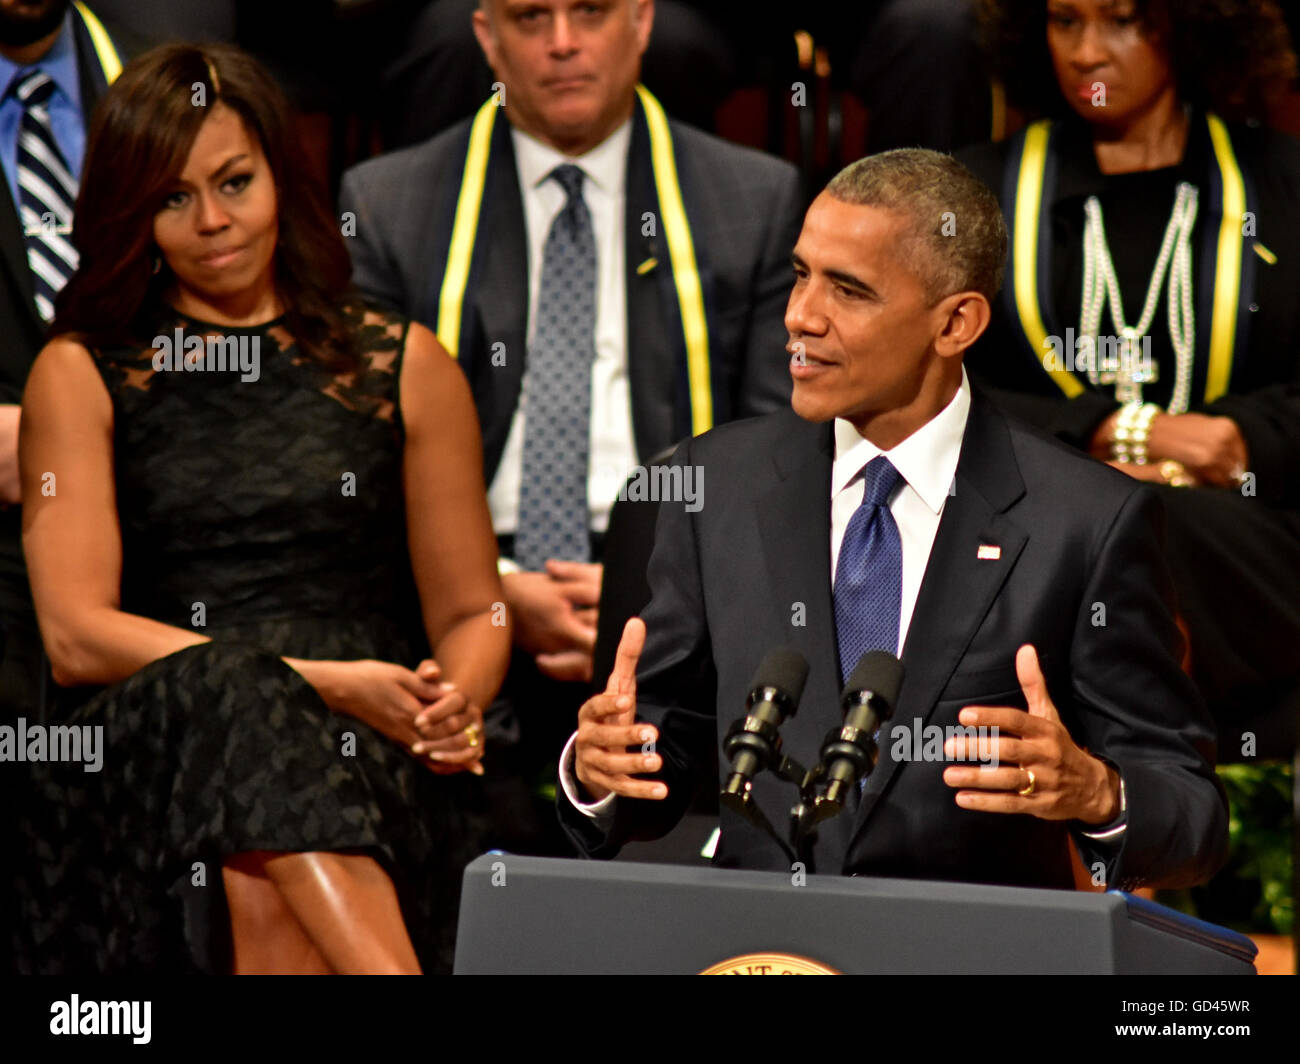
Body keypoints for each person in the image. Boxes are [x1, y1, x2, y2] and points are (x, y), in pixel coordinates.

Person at [559, 150, 1228, 892]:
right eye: (801, 273)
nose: (800, 317)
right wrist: (604, 769)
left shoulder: (1086, 519)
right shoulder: (710, 487)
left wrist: (1097, 792)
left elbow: (1192, 815)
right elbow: (657, 755)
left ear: (955, 324)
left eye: (849, 290)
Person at [15, 43, 509, 974]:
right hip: (156, 735)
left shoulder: (402, 364)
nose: (212, 221)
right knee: (243, 701)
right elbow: (75, 635)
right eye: (171, 198)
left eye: (235, 181)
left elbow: (470, 611)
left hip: (369, 737)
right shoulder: (82, 370)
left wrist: (454, 699)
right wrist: (325, 679)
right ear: (133, 212)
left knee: (264, 840)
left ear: (281, 172)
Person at [340, 0, 801, 853]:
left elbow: (781, 450)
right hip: (465, 574)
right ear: (484, 36)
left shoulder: (753, 198)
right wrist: (493, 590)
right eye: (529, 16)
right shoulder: (389, 202)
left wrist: (654, 591)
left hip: (673, 570)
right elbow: (357, 462)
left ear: (641, 20)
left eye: (589, 10)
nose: (561, 42)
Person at [959, 0, 1300, 738]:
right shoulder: (978, 193)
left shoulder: (1282, 184)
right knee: (1109, 529)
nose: (1088, 53)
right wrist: (1105, 436)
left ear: (1190, 25)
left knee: (1149, 533)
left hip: (1246, 532)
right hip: (1034, 519)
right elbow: (932, 387)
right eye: (1062, 20)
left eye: (1122, 19)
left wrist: (1239, 441)